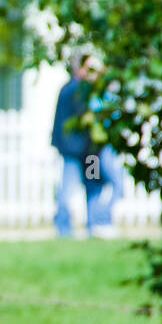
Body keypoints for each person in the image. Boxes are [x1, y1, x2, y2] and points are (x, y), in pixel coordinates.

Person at [51, 53, 116, 237]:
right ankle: (68, 227)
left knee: (91, 185)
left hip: (85, 150)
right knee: (72, 188)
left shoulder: (70, 88)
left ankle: (91, 224)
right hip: (80, 150)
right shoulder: (77, 90)